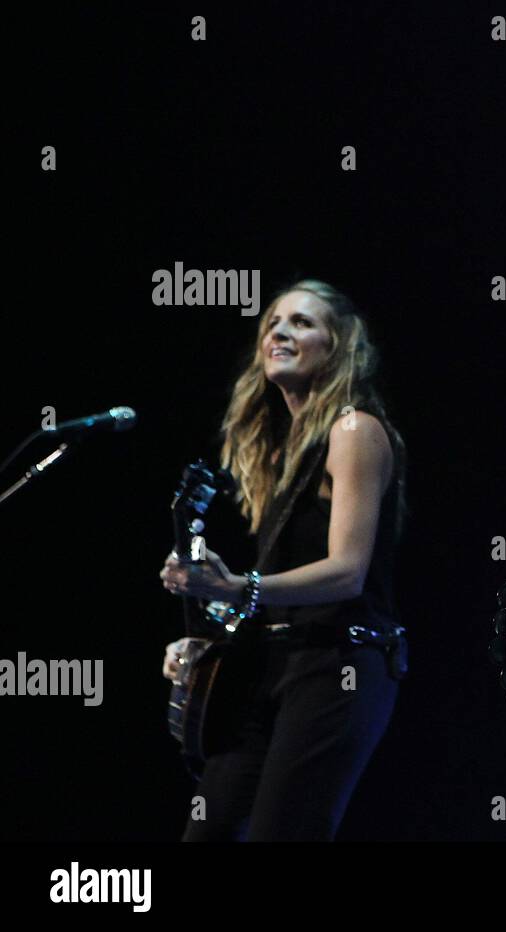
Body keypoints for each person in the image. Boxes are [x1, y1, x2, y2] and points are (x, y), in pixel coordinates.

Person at [159, 279, 408, 841]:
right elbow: (275, 588)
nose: (280, 332)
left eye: (302, 322)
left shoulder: (354, 430)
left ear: (339, 344)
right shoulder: (278, 447)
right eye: (273, 322)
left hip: (340, 664)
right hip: (273, 665)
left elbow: (348, 570)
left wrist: (235, 588)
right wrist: (215, 631)